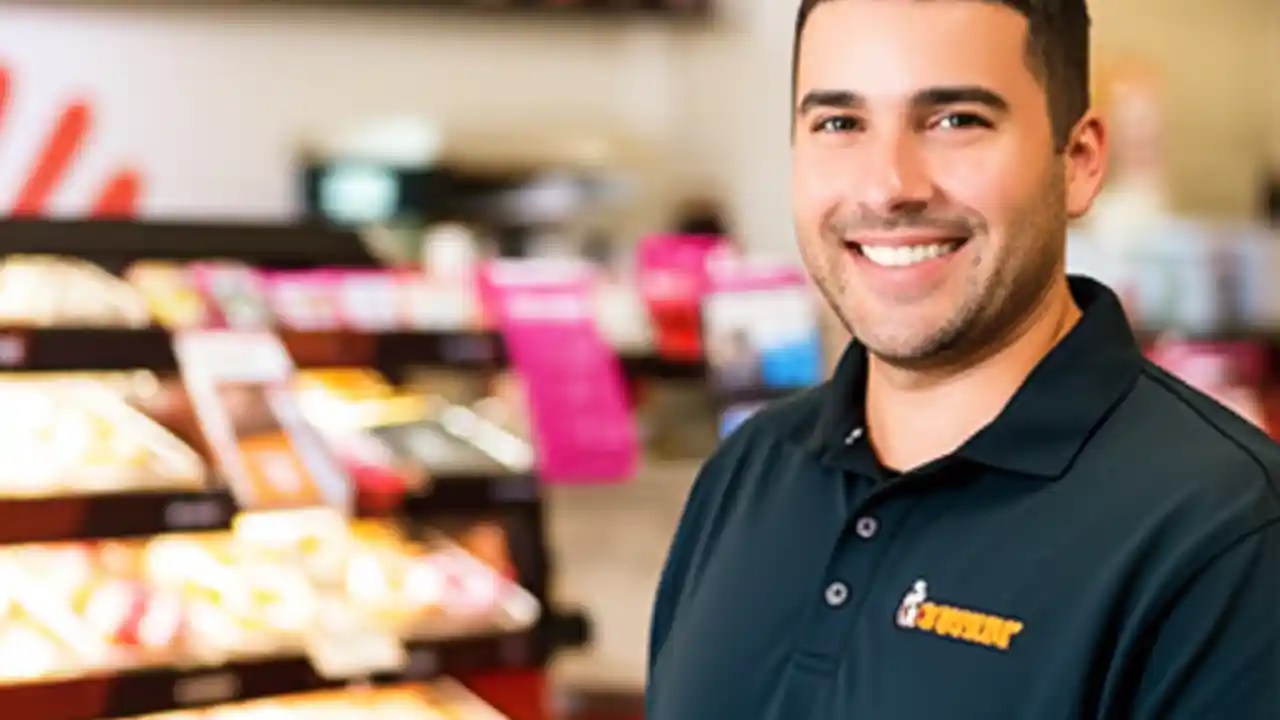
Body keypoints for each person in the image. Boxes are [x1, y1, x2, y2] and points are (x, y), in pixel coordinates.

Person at [646, 1, 1280, 718]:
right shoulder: (747, 471)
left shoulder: (1224, 531)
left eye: (955, 121)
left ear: (1078, 161)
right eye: (839, 124)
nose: (889, 186)